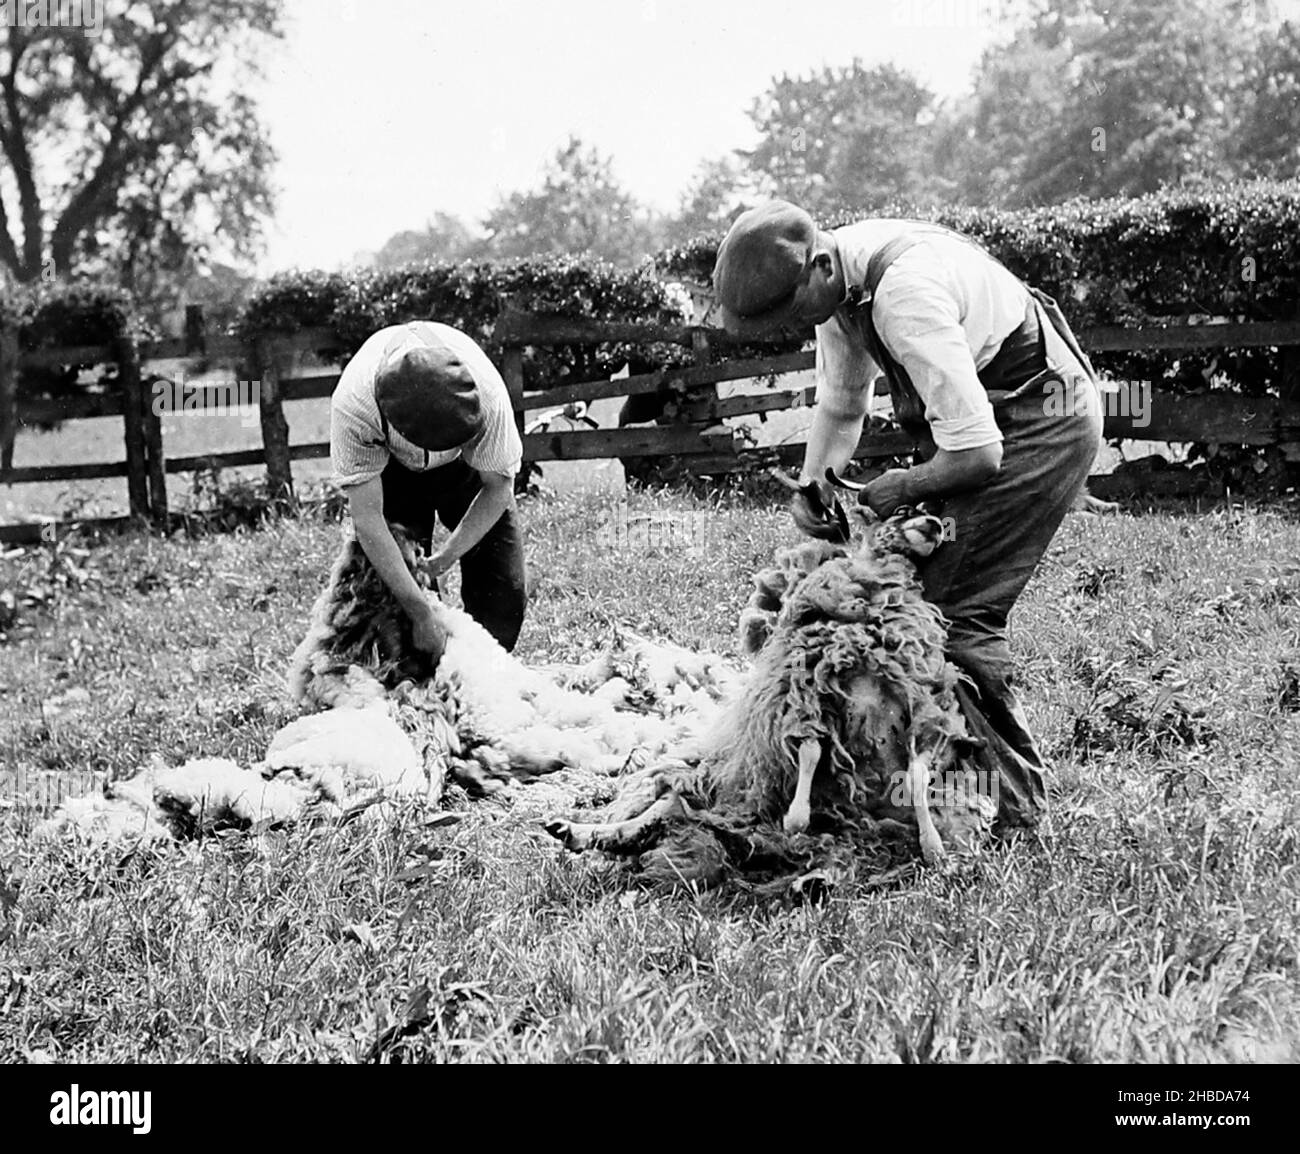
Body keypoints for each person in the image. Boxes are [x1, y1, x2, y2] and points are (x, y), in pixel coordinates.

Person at [712, 201, 1104, 827]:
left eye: (790, 311)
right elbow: (842, 406)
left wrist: (905, 485)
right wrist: (815, 488)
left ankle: (1017, 813)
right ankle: (925, 785)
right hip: (991, 420)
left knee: (947, 612)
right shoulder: (841, 286)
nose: (791, 327)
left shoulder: (903, 296)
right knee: (916, 597)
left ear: (818, 265)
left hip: (1039, 424)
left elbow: (977, 453)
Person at [330, 320, 526, 657]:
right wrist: (420, 611)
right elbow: (368, 518)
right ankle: (421, 679)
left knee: (504, 589)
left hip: (466, 467)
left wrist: (447, 556)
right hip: (390, 470)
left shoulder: (488, 395)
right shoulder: (355, 406)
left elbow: (497, 488)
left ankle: (487, 673)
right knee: (397, 601)